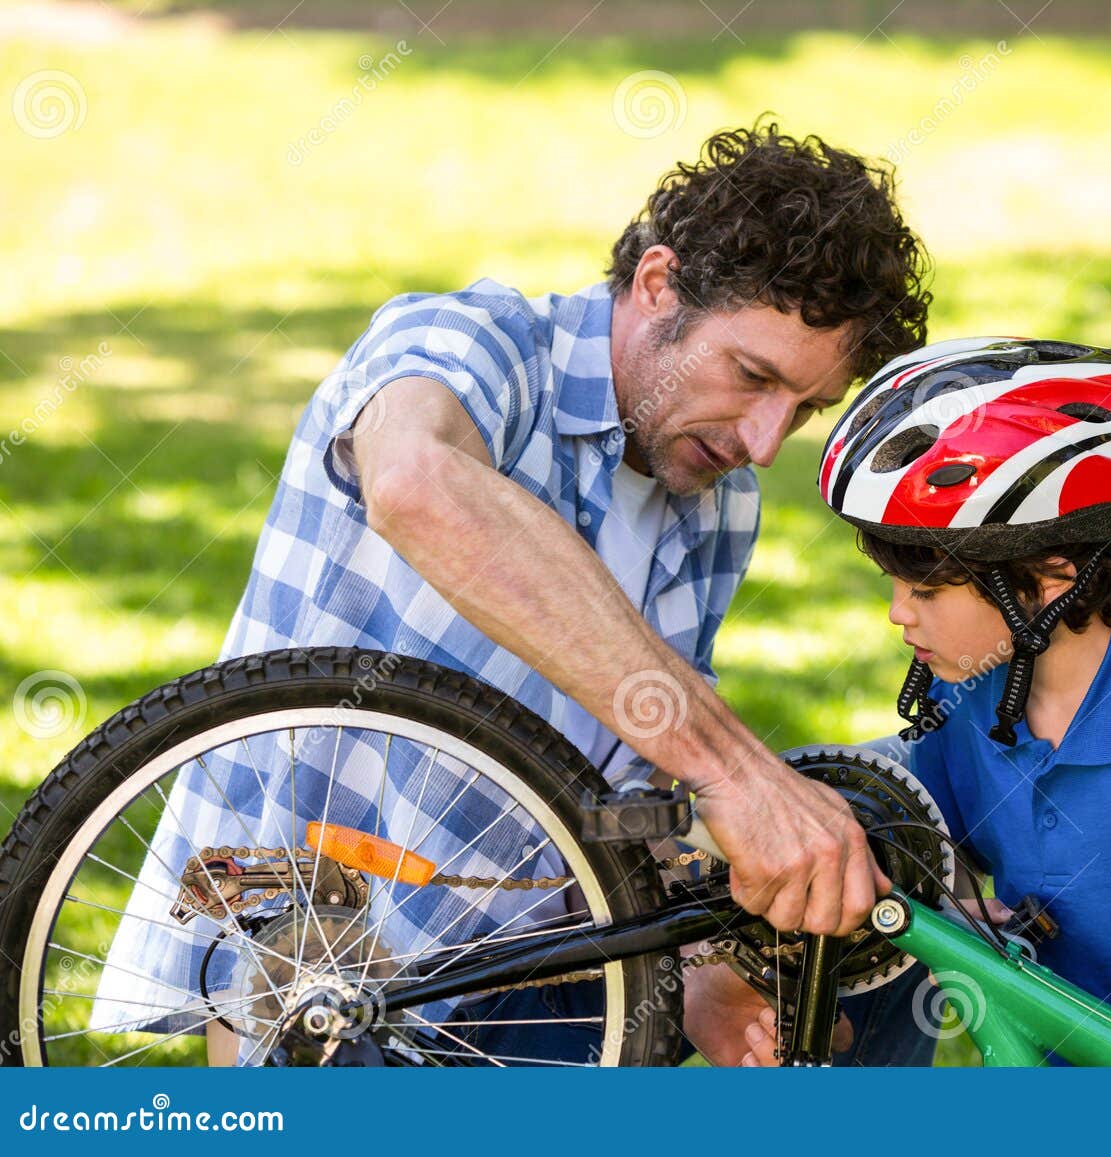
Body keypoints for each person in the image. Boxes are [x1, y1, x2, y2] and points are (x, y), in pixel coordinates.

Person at [90, 119, 933, 1066]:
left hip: (542, 956)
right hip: (329, 953)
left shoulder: (719, 504)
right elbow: (415, 481)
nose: (767, 441)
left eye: (804, 408)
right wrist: (736, 771)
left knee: (881, 922)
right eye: (752, 376)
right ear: (657, 288)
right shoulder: (470, 341)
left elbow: (636, 793)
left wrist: (705, 976)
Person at [742, 336, 1111, 1065]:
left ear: (1048, 574)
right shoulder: (969, 702)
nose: (897, 613)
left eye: (926, 588)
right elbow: (907, 856)